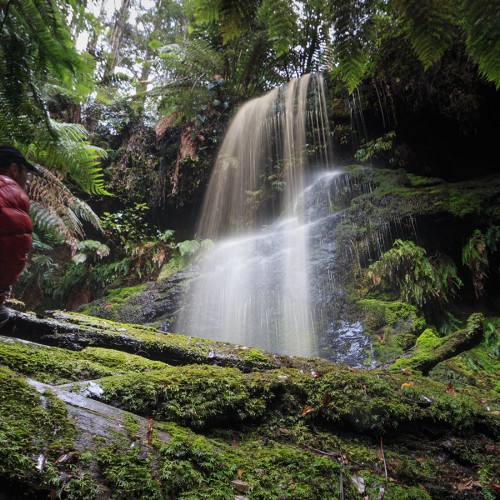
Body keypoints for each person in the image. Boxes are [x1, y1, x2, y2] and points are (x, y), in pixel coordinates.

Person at [0, 146, 38, 328]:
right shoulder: (10, 193)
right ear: (14, 169)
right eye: (26, 173)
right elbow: (11, 250)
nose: (28, 181)